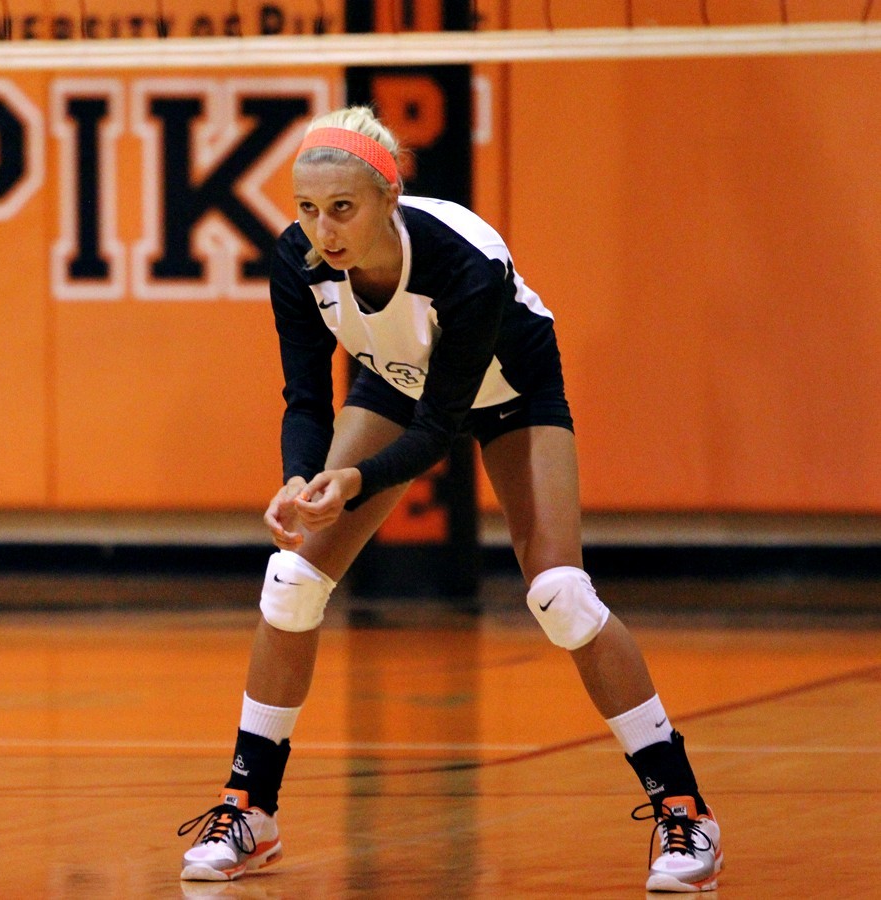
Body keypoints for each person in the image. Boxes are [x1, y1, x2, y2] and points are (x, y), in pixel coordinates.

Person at [175, 106, 722, 893]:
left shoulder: (466, 263)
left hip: (509, 393)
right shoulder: (297, 260)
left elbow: (439, 430)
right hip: (392, 383)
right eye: (307, 208)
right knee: (291, 580)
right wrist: (299, 478)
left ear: (387, 199)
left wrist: (354, 480)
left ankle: (685, 812)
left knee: (562, 596)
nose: (323, 229)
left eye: (342, 208)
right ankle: (250, 808)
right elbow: (305, 397)